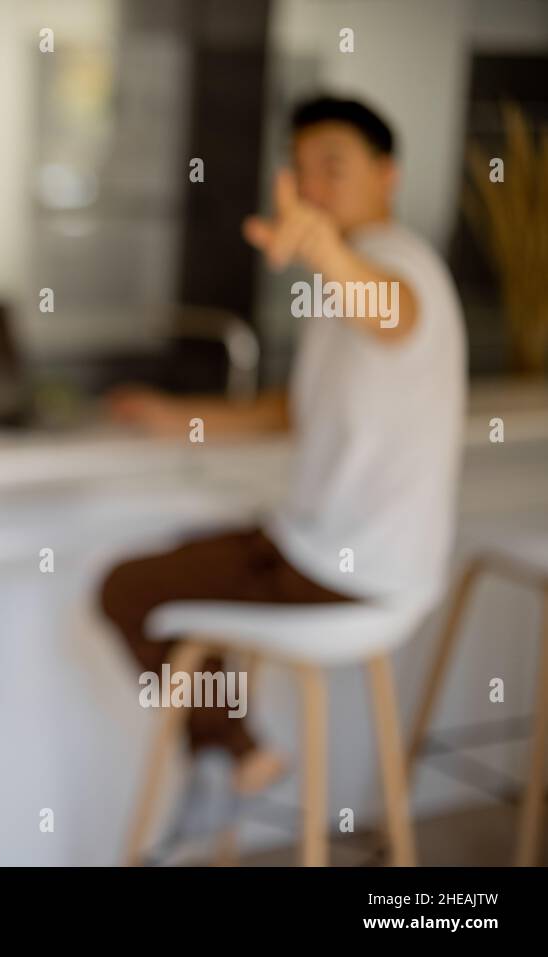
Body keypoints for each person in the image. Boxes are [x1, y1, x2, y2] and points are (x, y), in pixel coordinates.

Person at [101, 95, 467, 795]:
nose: (315, 186)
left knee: (127, 587)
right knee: (192, 546)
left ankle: (231, 755)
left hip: (341, 567)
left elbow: (391, 310)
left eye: (334, 167)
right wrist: (179, 416)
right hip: (362, 560)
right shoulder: (349, 274)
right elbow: (295, 410)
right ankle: (228, 752)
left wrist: (324, 249)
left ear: (388, 174)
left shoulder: (397, 268)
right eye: (301, 170)